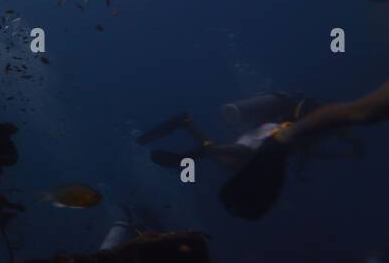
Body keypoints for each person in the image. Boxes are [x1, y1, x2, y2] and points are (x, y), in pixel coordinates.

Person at [221, 78, 389, 219]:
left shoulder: (308, 136)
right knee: (255, 140)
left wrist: (286, 137)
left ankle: (244, 116)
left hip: (285, 120)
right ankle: (244, 118)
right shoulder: (314, 135)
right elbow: (360, 113)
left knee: (255, 139)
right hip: (287, 120)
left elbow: (358, 113)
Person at [138, 92, 360, 175]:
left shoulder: (320, 131)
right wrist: (347, 152)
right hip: (272, 133)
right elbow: (306, 147)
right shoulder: (320, 128)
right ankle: (188, 130)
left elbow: (307, 151)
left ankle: (188, 134)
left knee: (229, 162)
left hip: (272, 133)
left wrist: (345, 154)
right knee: (230, 158)